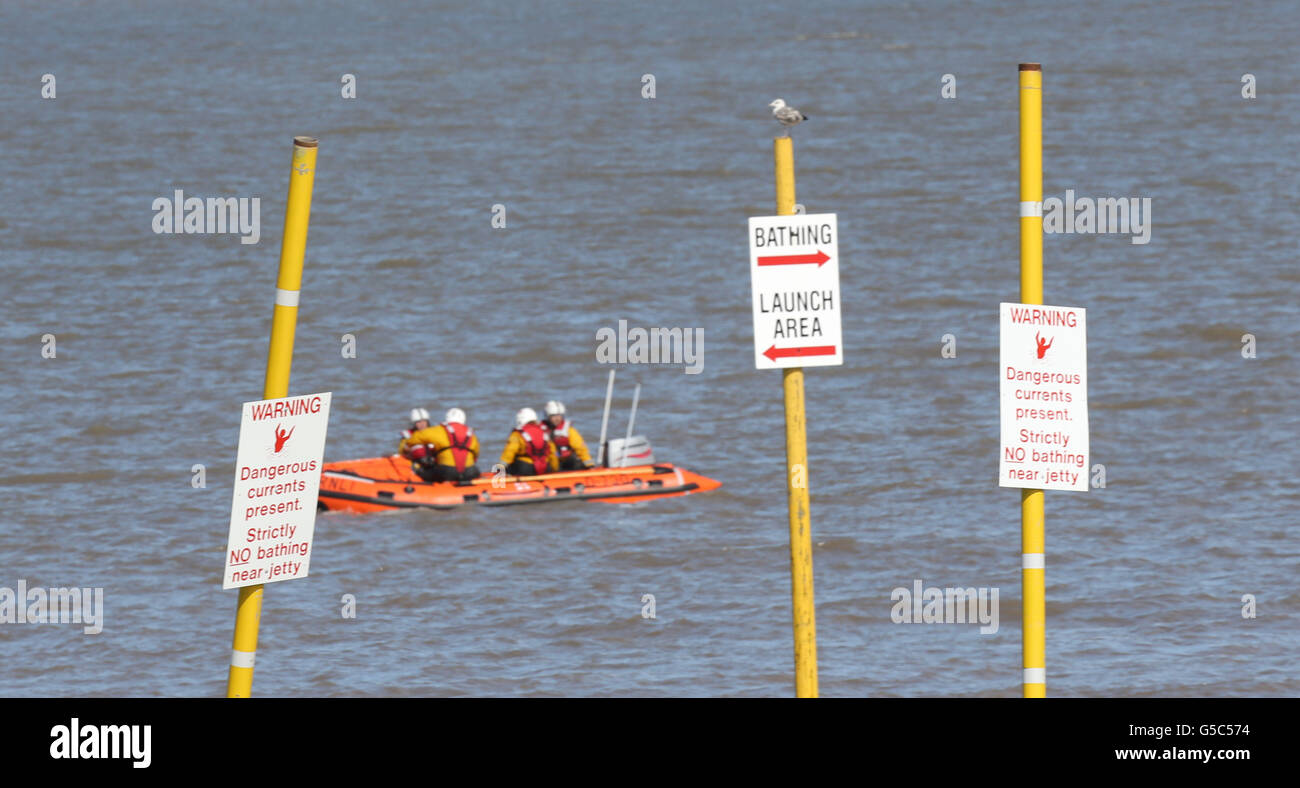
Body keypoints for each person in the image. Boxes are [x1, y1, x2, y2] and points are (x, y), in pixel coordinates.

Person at [425, 408, 481, 482]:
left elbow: (418, 437)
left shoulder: (439, 430)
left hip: (446, 471)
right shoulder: (471, 434)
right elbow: (475, 456)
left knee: (424, 473)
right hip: (469, 471)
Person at [500, 407, 557, 476]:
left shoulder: (518, 434)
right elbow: (552, 453)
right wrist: (555, 469)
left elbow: (509, 452)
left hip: (525, 468)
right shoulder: (544, 432)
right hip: (545, 468)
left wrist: (500, 468)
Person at [540, 400, 593, 471]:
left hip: (567, 462)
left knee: (574, 461)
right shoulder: (541, 429)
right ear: (547, 417)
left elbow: (581, 448)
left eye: (559, 415)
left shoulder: (568, 430)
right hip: (550, 462)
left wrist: (589, 464)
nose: (557, 418)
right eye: (553, 416)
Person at [397, 407, 442, 481]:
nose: (422, 424)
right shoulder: (408, 436)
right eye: (419, 422)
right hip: (416, 464)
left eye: (424, 421)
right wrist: (407, 450)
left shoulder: (435, 433)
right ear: (414, 424)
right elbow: (401, 451)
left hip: (434, 463)